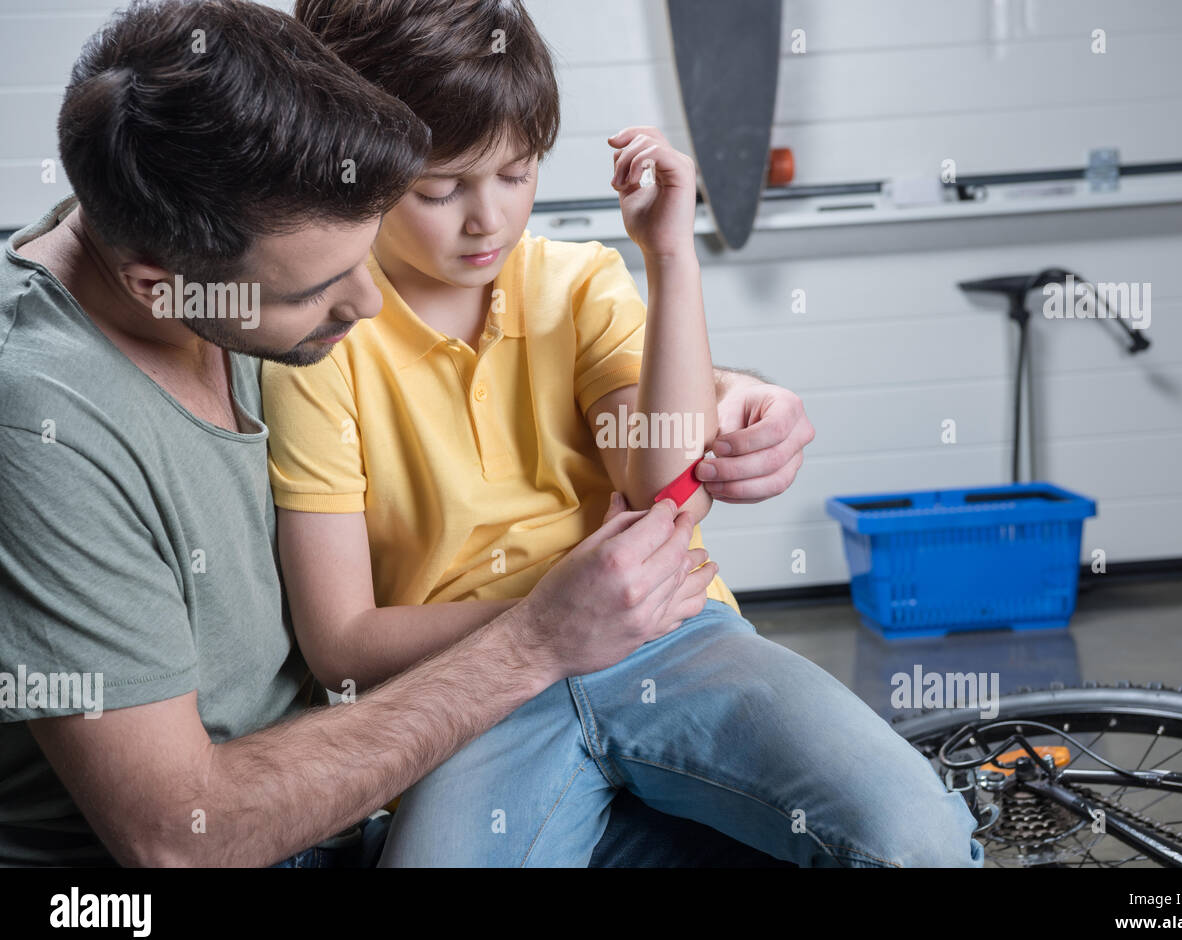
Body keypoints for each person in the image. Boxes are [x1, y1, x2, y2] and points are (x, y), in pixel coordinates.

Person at [0, 0, 813, 868]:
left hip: (368, 788)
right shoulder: (46, 427)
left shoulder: (189, 200)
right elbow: (177, 836)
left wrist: (733, 389)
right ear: (164, 288)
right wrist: (539, 634)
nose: (373, 305)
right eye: (323, 289)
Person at [260, 0, 984, 867]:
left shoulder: (580, 282)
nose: (487, 218)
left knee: (919, 840)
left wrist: (670, 256)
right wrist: (551, 618)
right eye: (441, 189)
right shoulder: (323, 342)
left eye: (517, 172)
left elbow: (661, 486)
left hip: (671, 639)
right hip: (476, 688)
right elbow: (340, 643)